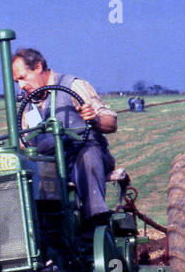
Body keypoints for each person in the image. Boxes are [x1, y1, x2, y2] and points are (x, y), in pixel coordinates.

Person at [11, 48, 117, 226]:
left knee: (87, 158)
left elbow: (111, 123)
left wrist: (94, 118)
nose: (21, 86)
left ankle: (96, 219)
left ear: (38, 67)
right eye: (16, 82)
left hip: (83, 152)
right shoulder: (28, 106)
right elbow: (25, 143)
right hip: (50, 162)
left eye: (22, 78)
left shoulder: (73, 86)